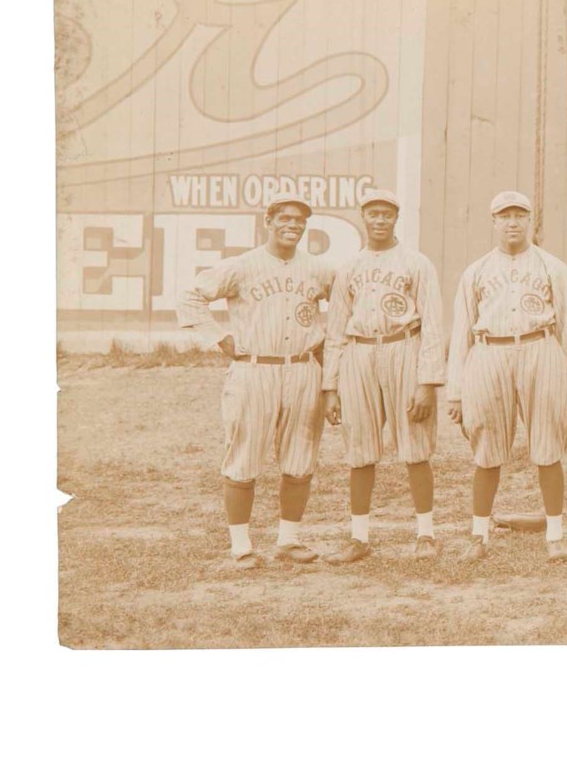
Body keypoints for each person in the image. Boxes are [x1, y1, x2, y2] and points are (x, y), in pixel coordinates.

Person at [176, 191, 336, 568]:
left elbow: (345, 307)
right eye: (284, 218)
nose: (292, 225)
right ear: (269, 222)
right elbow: (191, 297)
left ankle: (289, 540)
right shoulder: (243, 266)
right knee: (244, 456)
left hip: (302, 368)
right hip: (253, 369)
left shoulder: (318, 269)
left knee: (300, 459)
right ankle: (241, 545)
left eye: (299, 220)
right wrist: (218, 337)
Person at [443, 191, 567, 562]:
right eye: (505, 216)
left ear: (531, 220)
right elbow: (461, 334)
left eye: (520, 215)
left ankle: (555, 534)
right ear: (494, 222)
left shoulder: (553, 267)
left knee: (548, 445)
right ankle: (479, 534)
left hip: (541, 347)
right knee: (487, 447)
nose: (513, 222)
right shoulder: (477, 271)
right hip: (490, 351)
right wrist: (455, 391)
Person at [319, 189, 447, 564]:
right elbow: (336, 330)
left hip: (403, 346)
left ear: (396, 217)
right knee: (360, 448)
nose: (379, 220)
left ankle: (426, 533)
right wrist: (330, 386)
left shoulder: (416, 263)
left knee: (415, 445)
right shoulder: (349, 268)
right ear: (363, 216)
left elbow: (434, 326)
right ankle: (359, 538)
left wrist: (428, 382)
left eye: (386, 213)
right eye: (373, 213)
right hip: (359, 352)